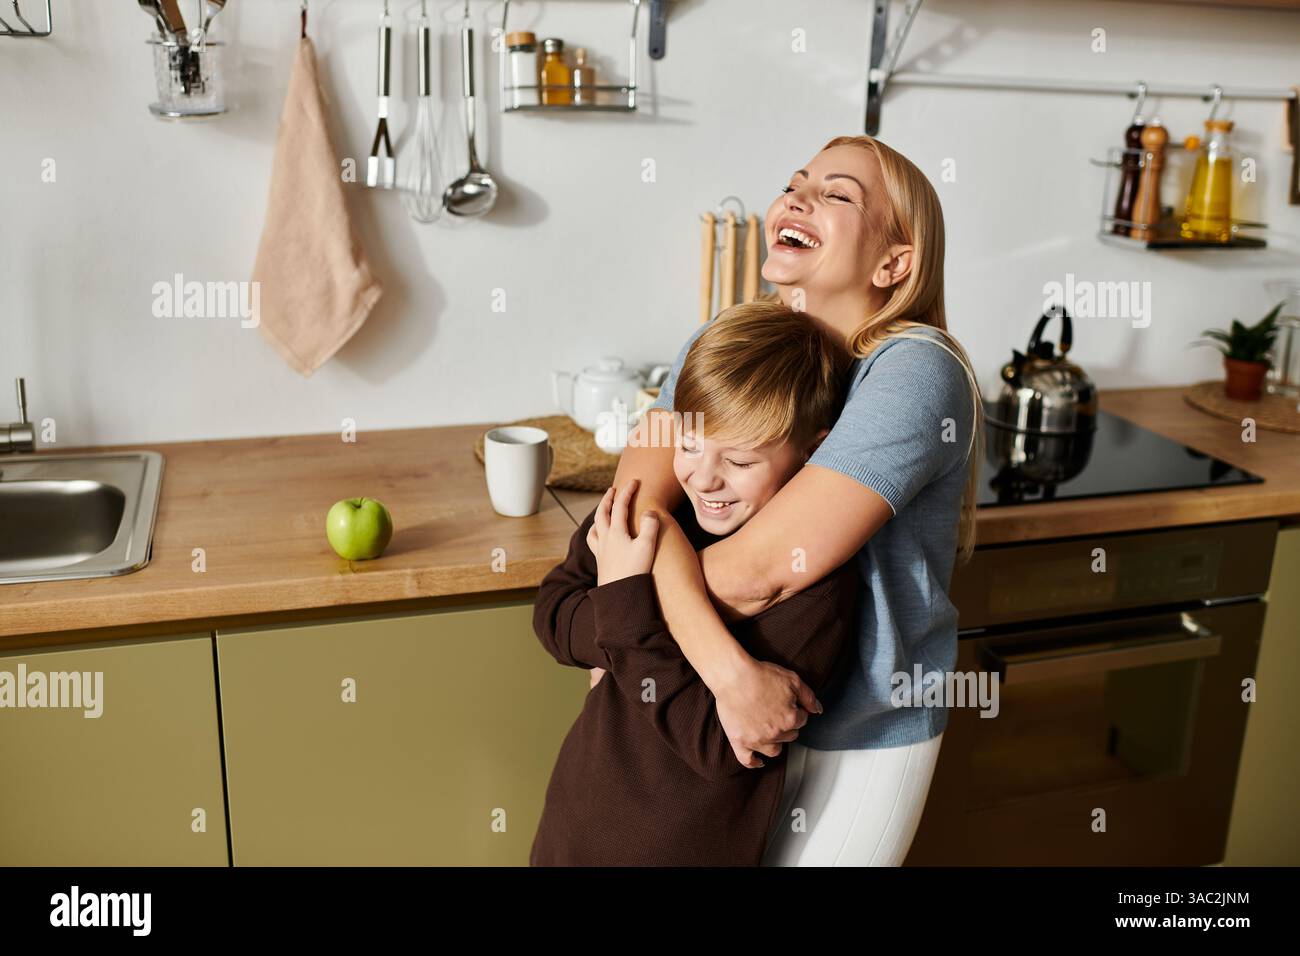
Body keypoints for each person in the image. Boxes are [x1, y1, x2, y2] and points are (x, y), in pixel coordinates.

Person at [610, 135, 984, 866]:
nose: (796, 197)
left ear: (894, 262)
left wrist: (618, 617)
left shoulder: (913, 371)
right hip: (716, 698)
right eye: (794, 183)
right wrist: (724, 671)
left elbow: (762, 572)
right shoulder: (727, 343)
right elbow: (630, 510)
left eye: (837, 194)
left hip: (856, 736)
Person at [530, 302, 859, 866]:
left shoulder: (817, 589)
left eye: (739, 460)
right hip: (570, 828)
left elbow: (714, 744)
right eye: (687, 445)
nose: (704, 477)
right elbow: (553, 613)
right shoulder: (649, 512)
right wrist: (627, 609)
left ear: (812, 453)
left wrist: (623, 598)